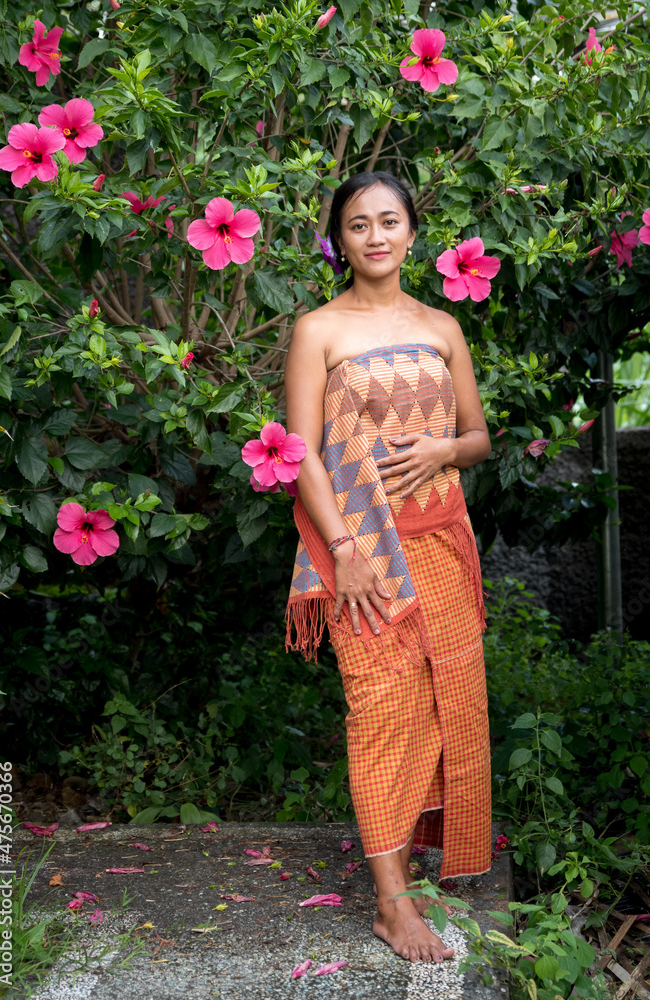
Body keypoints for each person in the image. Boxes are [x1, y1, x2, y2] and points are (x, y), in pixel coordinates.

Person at [283, 170, 492, 964]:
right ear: (339, 239)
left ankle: (414, 868)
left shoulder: (440, 324)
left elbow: (475, 436)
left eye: (389, 221)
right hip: (362, 552)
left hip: (441, 541)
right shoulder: (319, 330)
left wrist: (444, 447)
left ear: (412, 233)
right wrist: (343, 553)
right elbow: (300, 455)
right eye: (357, 224)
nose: (374, 235)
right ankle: (391, 904)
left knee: (441, 710)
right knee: (379, 713)